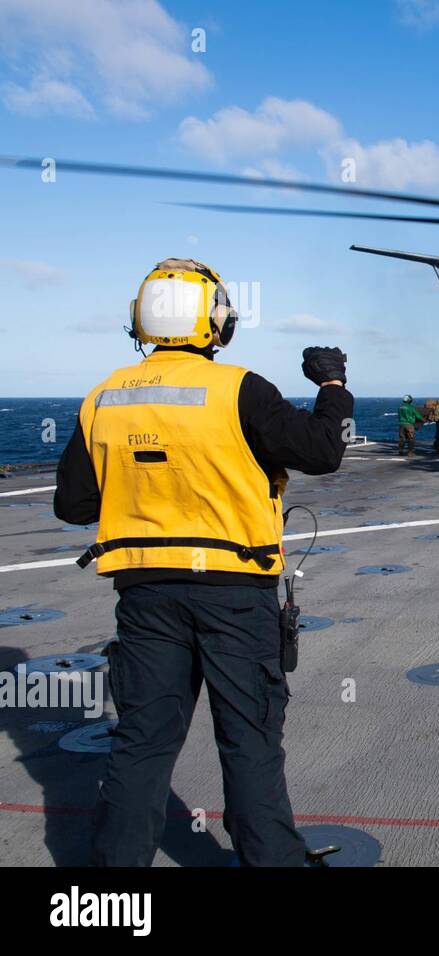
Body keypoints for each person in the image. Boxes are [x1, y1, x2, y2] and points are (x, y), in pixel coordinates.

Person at [53, 257, 353, 867]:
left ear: (140, 320)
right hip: (235, 594)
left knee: (141, 742)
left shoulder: (102, 398)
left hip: (144, 596)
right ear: (218, 323)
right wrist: (332, 386)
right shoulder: (240, 389)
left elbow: (74, 505)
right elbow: (324, 452)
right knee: (250, 738)